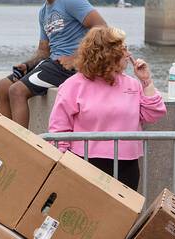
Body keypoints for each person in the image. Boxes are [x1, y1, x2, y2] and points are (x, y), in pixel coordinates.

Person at [46, 26, 164, 191]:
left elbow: (153, 113)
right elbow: (58, 130)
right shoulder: (73, 85)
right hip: (85, 163)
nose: (128, 54)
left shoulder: (132, 84)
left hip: (127, 165)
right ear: (108, 53)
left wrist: (146, 81)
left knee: (123, 216)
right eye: (123, 48)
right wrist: (64, 166)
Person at [0, 0, 107, 129]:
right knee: (1, 87)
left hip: (72, 67)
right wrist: (27, 65)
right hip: (53, 64)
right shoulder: (44, 12)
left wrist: (75, 57)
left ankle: (19, 149)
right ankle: (5, 142)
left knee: (17, 91)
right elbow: (43, 51)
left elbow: (102, 28)